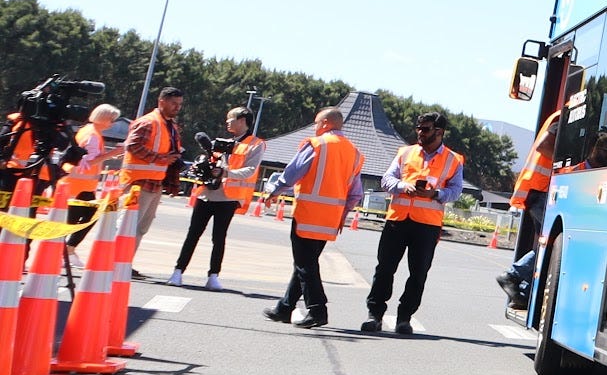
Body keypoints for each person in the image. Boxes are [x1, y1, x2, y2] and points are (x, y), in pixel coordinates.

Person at [363, 113, 464, 336]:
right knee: (384, 269)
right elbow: (386, 179)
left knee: (418, 274)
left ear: (439, 132)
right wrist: (402, 186)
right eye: (418, 128)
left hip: (427, 226)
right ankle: (375, 315)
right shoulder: (405, 152)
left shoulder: (453, 160)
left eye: (425, 129)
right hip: (397, 221)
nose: (420, 132)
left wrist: (435, 193)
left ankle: (404, 318)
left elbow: (456, 191)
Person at [264, 107, 362, 329]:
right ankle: (285, 307)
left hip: (308, 214)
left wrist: (274, 190)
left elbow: (292, 173)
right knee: (305, 263)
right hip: (330, 219)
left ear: (326, 123)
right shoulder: (354, 152)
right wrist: (342, 216)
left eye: (317, 123)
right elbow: (356, 193)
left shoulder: (317, 145)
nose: (315, 128)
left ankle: (318, 309)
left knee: (305, 264)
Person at [167, 108, 261, 289]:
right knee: (193, 234)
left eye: (230, 119)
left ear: (242, 120)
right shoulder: (221, 142)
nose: (227, 122)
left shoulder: (255, 144)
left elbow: (250, 170)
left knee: (219, 237)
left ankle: (213, 276)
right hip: (206, 193)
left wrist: (226, 172)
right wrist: (204, 166)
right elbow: (211, 162)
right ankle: (178, 271)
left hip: (228, 198)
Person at [498, 112, 558, 304]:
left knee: (547, 245)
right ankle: (513, 276)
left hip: (540, 191)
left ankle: (522, 290)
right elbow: (544, 146)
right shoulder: (567, 115)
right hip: (542, 190)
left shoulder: (561, 114)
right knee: (550, 246)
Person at [123, 86, 184, 241]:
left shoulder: (169, 125)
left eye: (180, 104)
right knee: (128, 225)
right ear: (161, 101)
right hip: (139, 182)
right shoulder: (149, 122)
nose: (177, 107)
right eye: (173, 103)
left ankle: (125, 263)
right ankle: (116, 263)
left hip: (155, 182)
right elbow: (132, 146)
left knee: (141, 228)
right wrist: (160, 158)